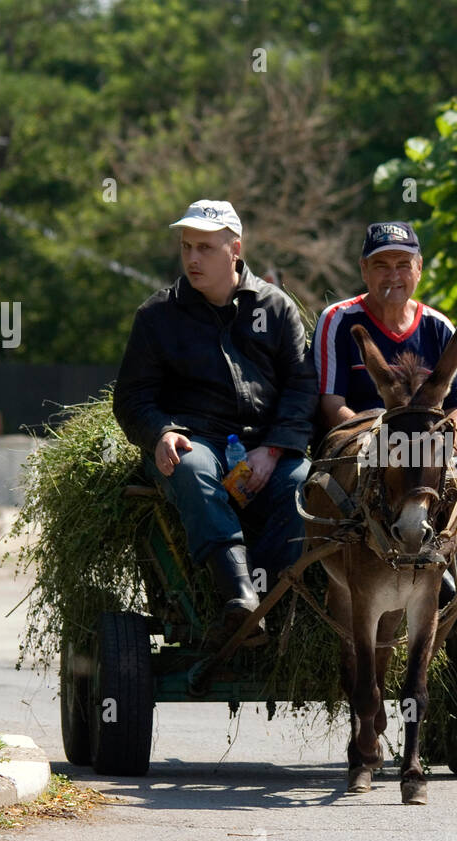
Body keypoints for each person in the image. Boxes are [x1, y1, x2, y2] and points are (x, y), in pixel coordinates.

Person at [113, 199, 317, 644]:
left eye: (205, 247)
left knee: (301, 481)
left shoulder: (277, 309)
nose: (191, 258)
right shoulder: (157, 316)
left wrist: (276, 449)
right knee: (193, 468)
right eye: (186, 246)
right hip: (194, 441)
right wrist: (161, 432)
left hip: (265, 446)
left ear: (234, 249)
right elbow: (131, 399)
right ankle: (240, 599)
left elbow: (303, 390)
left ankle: (270, 605)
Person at [312, 220, 457, 601]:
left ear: (419, 269)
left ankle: (452, 572)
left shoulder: (438, 326)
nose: (393, 276)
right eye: (382, 265)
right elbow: (330, 403)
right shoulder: (337, 321)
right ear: (364, 270)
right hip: (361, 444)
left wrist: (444, 445)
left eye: (403, 265)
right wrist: (375, 442)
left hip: (428, 447)